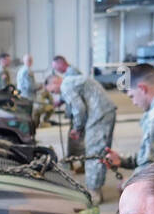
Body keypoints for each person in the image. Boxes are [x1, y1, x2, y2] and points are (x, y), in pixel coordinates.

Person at [46, 64, 118, 195]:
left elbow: (78, 108)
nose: (55, 94)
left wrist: (77, 128)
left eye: (52, 91)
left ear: (55, 81)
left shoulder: (65, 85)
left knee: (94, 152)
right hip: (103, 112)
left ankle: (94, 191)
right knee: (99, 151)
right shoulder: (72, 80)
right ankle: (95, 187)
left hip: (99, 115)